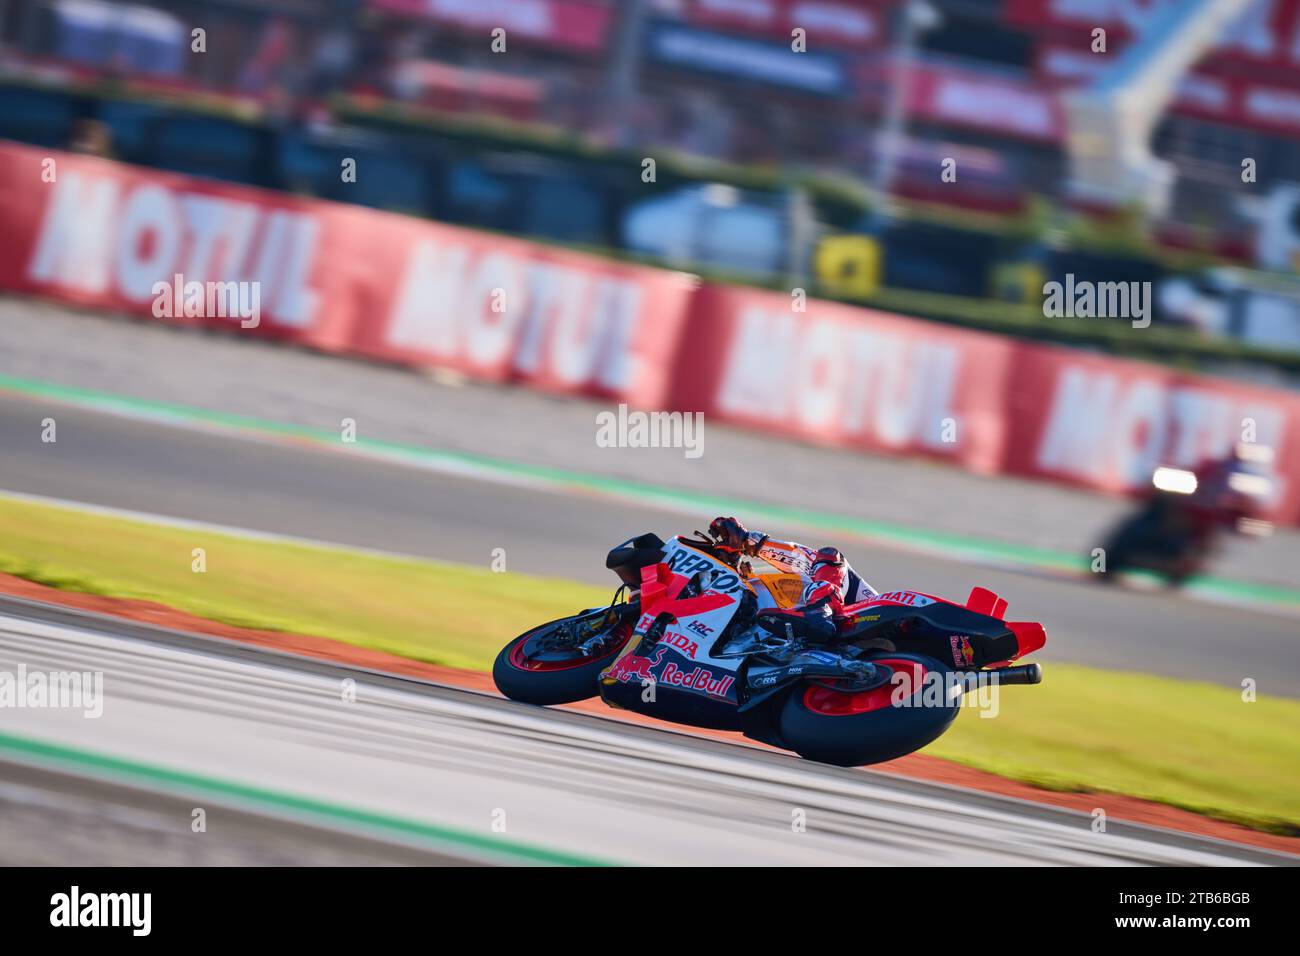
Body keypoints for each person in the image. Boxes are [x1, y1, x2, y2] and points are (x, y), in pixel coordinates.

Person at [708, 517, 877, 644]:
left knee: (829, 554)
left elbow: (812, 560)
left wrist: (749, 541)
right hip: (848, 652)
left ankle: (820, 613)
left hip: (864, 614)